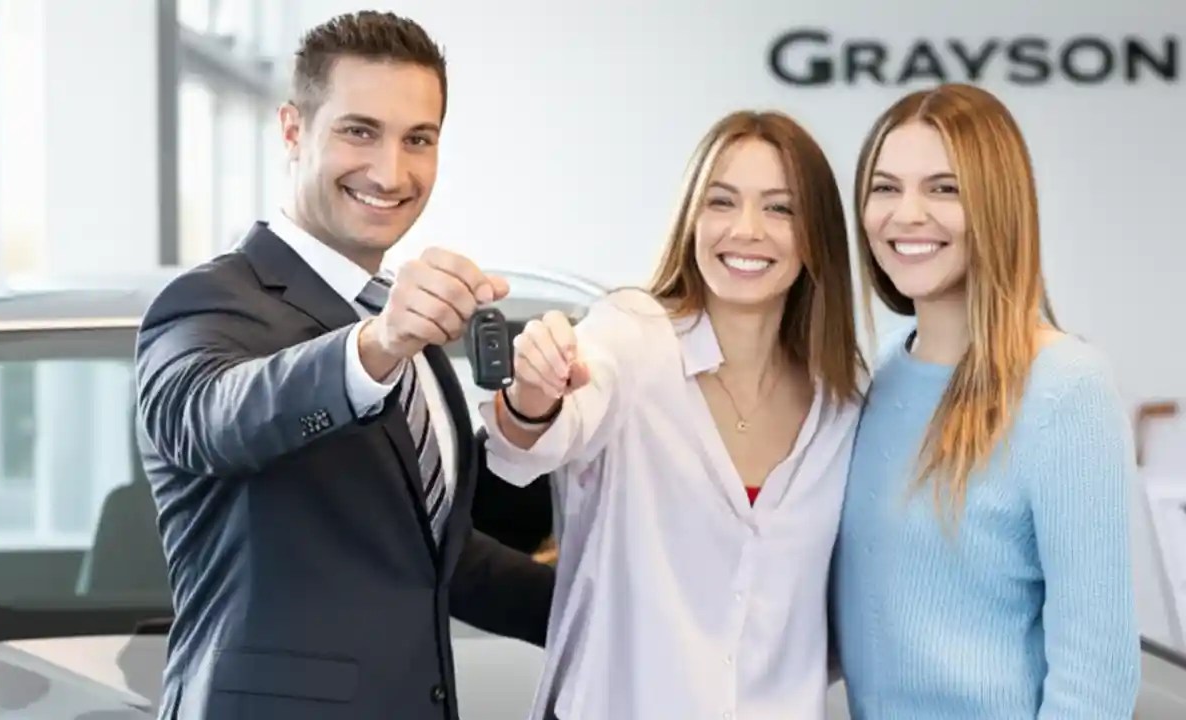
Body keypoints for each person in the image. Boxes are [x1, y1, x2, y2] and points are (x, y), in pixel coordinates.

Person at [133, 11, 553, 720]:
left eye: (417, 139)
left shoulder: (400, 328)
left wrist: (621, 620)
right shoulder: (210, 301)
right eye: (359, 131)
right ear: (294, 131)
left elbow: (444, 557)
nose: (391, 172)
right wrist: (376, 346)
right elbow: (212, 419)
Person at [479, 110, 865, 719]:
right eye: (721, 202)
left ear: (816, 234)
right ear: (692, 218)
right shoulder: (633, 334)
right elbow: (536, 441)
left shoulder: (843, 404)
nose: (746, 230)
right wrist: (536, 394)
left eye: (779, 208)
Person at [830, 83, 1141, 719]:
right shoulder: (883, 369)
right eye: (885, 187)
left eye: (943, 188)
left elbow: (1097, 676)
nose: (906, 214)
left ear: (998, 206)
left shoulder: (1066, 387)